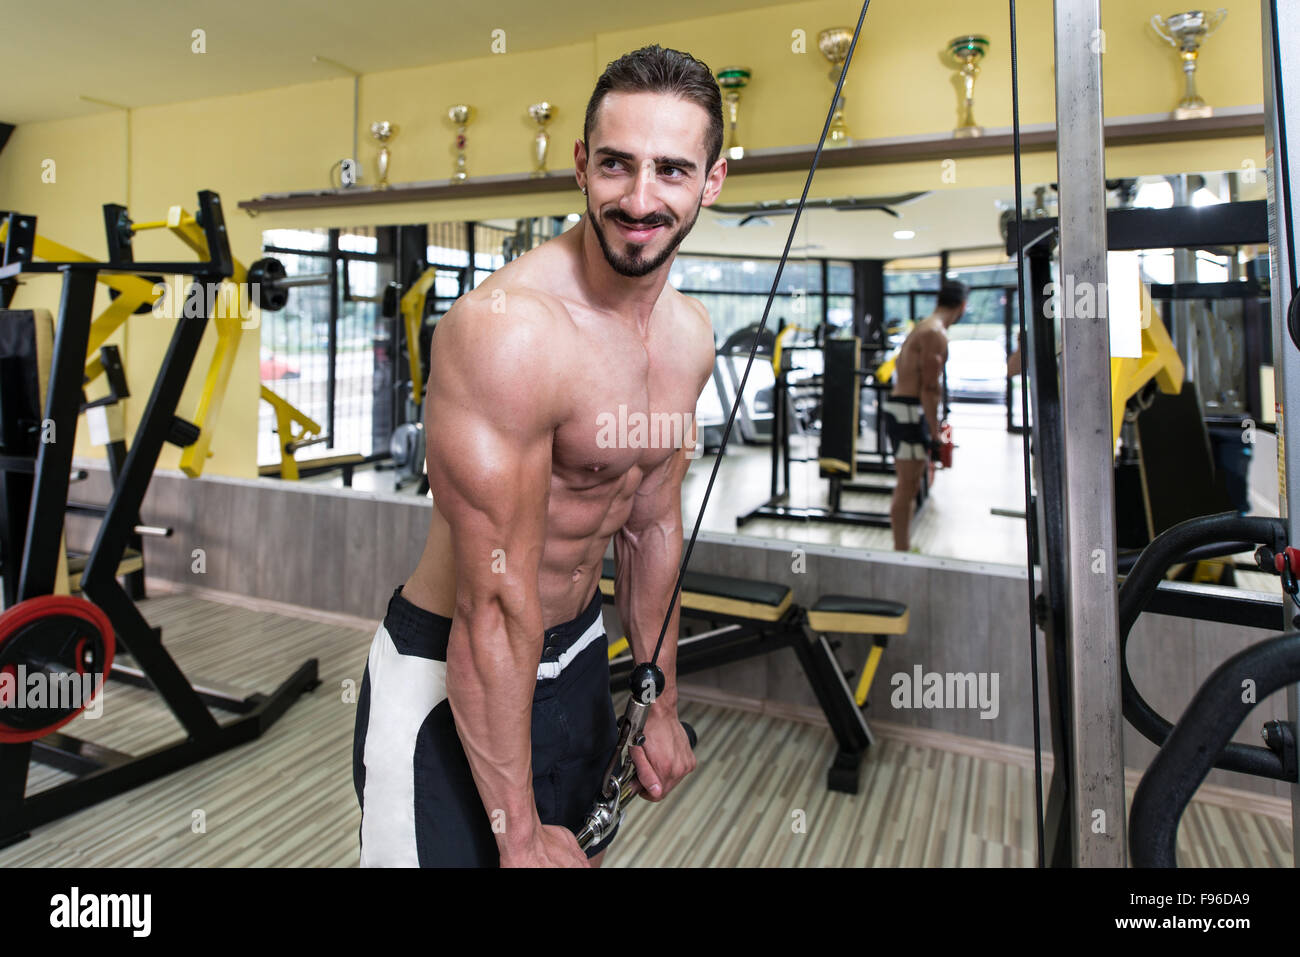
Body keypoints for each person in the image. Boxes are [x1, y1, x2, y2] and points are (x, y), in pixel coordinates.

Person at [352, 45, 721, 868]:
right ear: (581, 167)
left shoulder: (689, 337)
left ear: (713, 180)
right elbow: (494, 602)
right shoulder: (510, 331)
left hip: (582, 654)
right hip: (453, 668)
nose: (639, 197)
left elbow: (652, 528)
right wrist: (513, 830)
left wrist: (657, 697)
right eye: (618, 165)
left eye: (671, 169)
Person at [882, 280, 967, 551]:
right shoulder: (935, 333)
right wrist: (934, 431)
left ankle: (903, 547)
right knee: (907, 486)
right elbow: (930, 388)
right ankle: (901, 552)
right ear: (962, 307)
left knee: (911, 484)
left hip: (904, 406)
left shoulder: (924, 327)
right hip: (909, 408)